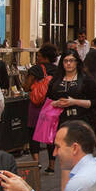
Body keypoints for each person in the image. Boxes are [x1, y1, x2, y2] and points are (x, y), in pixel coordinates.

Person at [24, 43, 61, 174]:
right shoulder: (58, 70)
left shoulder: (35, 69)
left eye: (39, 56)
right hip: (51, 105)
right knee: (50, 135)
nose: (37, 58)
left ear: (44, 57)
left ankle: (36, 162)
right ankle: (51, 165)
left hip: (36, 105)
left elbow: (26, 86)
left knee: (33, 134)